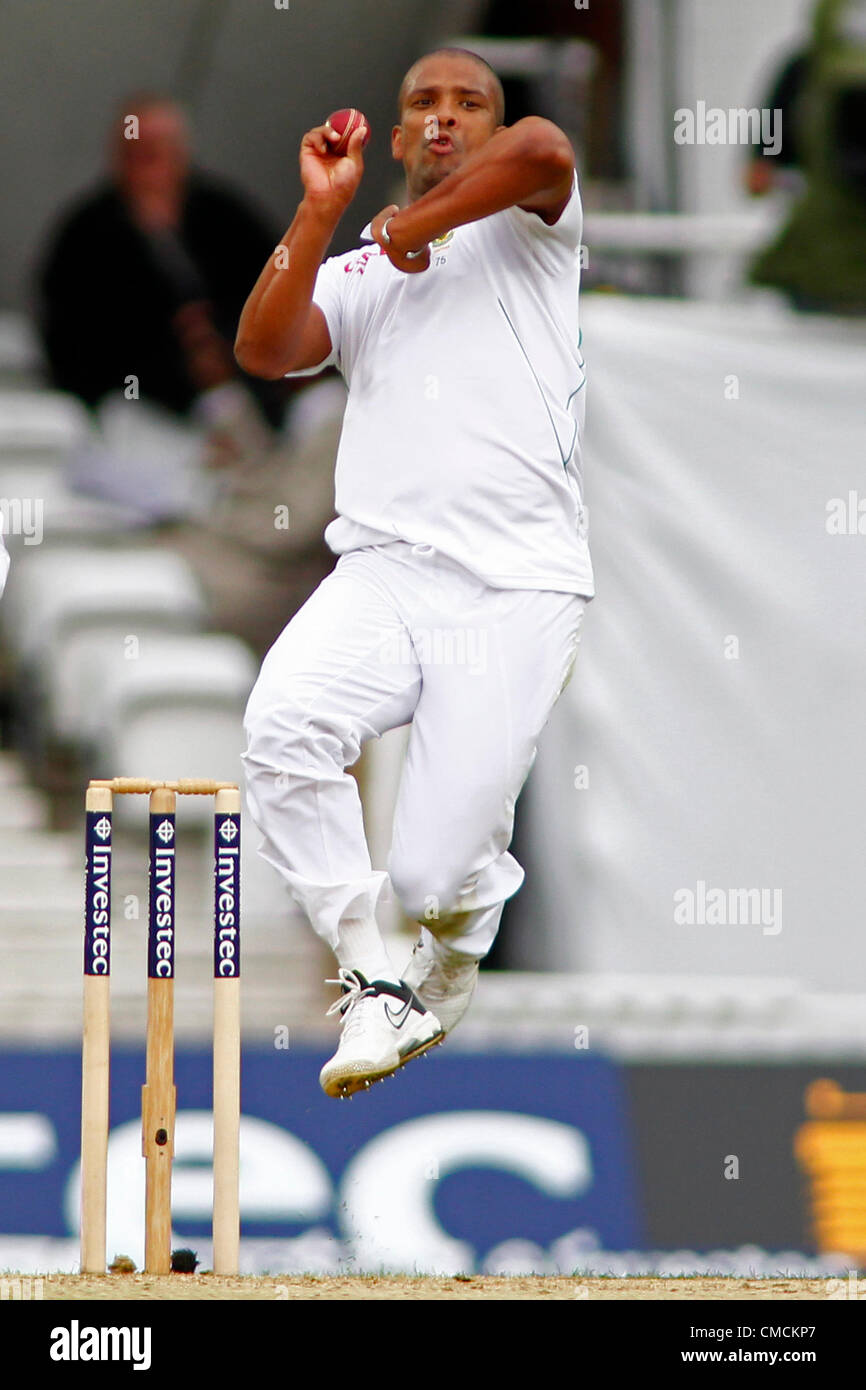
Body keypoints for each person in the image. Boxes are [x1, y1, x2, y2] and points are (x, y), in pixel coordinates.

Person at [237, 48, 592, 1098]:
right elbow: (266, 347)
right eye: (421, 108)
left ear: (487, 128)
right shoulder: (356, 274)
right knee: (280, 728)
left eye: (465, 105)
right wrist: (321, 215)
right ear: (393, 140)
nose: (442, 120)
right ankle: (374, 977)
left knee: (436, 876)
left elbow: (548, 148)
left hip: (514, 587)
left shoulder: (532, 231)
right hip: (382, 571)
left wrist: (409, 225)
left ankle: (459, 928)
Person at [36, 94, 283, 519]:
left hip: (244, 398)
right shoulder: (86, 234)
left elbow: (282, 292)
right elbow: (71, 341)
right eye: (136, 153)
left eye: (159, 152)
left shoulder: (225, 217)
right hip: (137, 410)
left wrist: (222, 353)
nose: (148, 166)